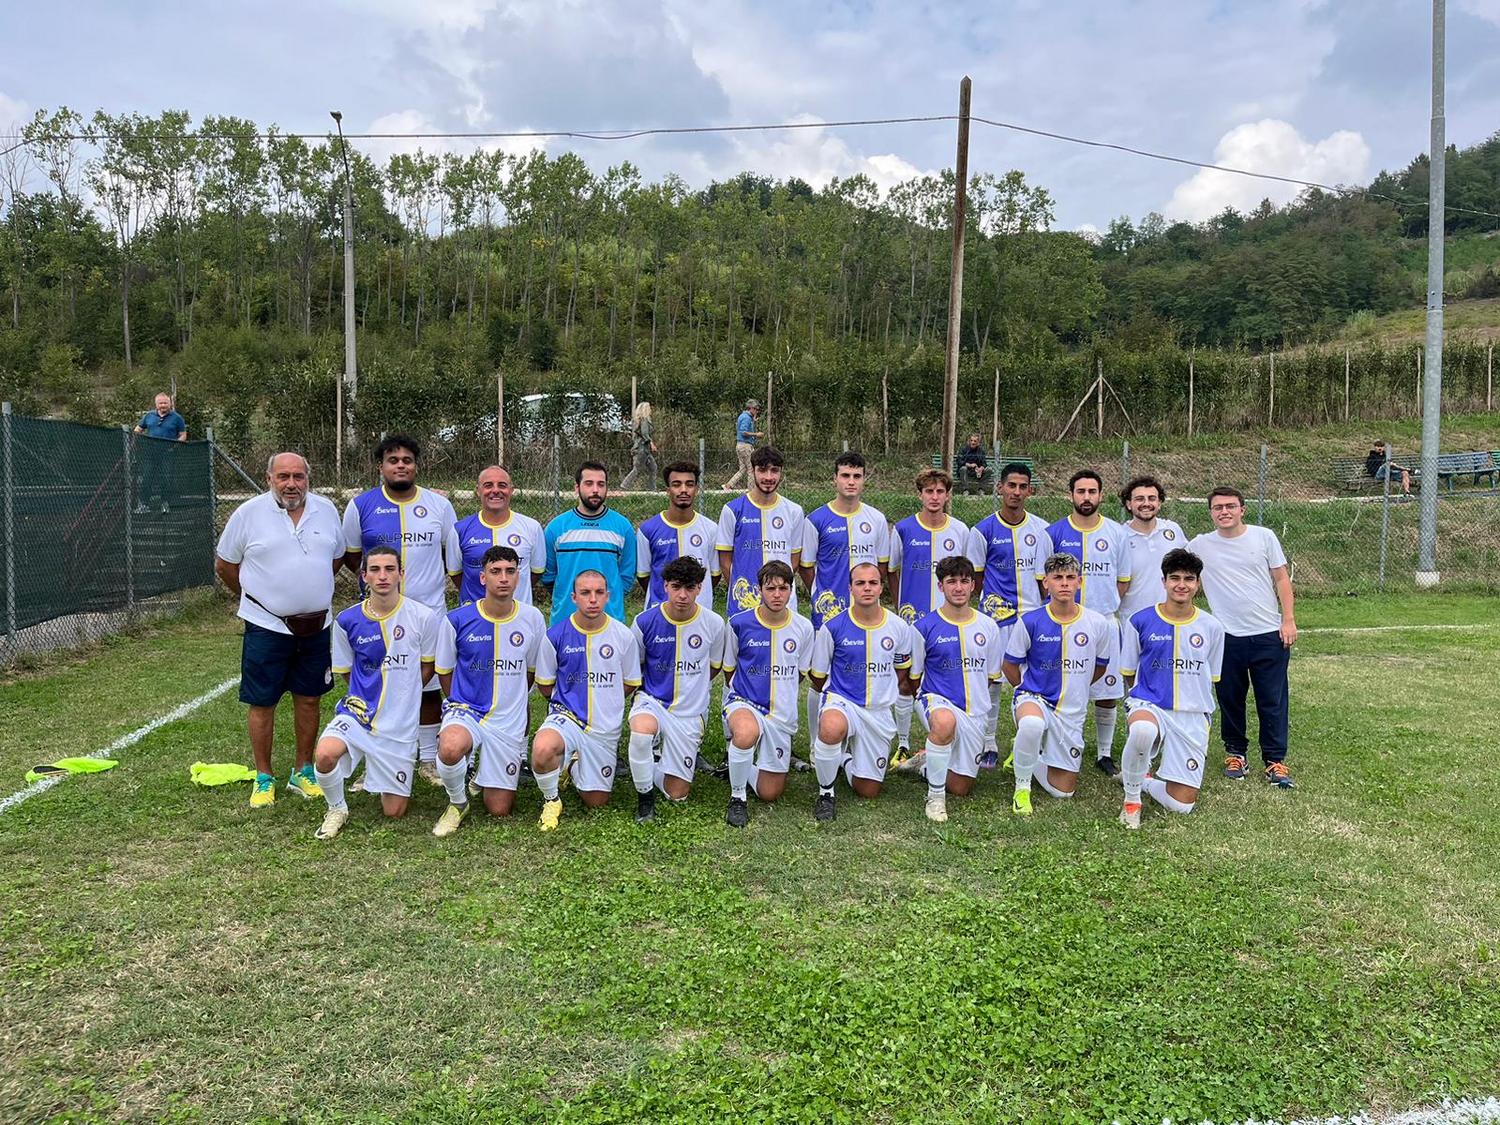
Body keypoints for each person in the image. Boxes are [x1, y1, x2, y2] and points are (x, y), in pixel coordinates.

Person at [214, 453, 343, 808]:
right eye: (283, 476)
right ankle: (264, 776)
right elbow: (225, 565)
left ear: (308, 479)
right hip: (267, 627)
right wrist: (259, 599)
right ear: (269, 477)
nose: (291, 484)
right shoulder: (248, 514)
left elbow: (334, 559)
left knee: (310, 698)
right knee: (263, 701)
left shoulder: (326, 510)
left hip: (316, 627)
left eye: (299, 477)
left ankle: (303, 772)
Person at [342, 435, 462, 785]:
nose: (400, 465)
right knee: (375, 686)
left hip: (428, 614)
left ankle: (426, 759)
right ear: (381, 466)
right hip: (378, 616)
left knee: (427, 689)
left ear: (416, 466)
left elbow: (449, 554)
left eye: (407, 460)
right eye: (393, 460)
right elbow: (353, 556)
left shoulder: (439, 506)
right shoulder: (360, 505)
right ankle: (377, 759)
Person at [310, 547, 440, 839]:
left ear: (401, 575)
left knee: (394, 811)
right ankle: (337, 808)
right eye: (376, 570)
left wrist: (400, 695)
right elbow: (344, 670)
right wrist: (368, 697)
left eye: (390, 569)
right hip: (359, 715)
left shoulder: (423, 617)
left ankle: (376, 763)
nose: (383, 576)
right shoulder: (346, 620)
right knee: (325, 754)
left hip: (400, 726)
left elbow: (428, 668)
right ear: (364, 576)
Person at [429, 546, 552, 835]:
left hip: (507, 721)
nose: (503, 578)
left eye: (510, 571)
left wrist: (513, 701)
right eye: (495, 572)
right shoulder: (457, 620)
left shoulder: (533, 618)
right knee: (450, 747)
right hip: (468, 711)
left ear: (518, 577)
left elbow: (532, 670)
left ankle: (482, 776)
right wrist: (460, 703)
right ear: (483, 578)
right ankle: (457, 803)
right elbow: (444, 671)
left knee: (499, 809)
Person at [1188, 487, 1297, 789]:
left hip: (1267, 635)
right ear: (1210, 512)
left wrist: (1287, 620)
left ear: (1242, 510)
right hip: (1226, 637)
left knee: (1271, 700)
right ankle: (1236, 754)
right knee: (1229, 699)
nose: (1224, 512)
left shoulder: (1264, 537)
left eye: (1230, 506)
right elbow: (1180, 573)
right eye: (1217, 507)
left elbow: (1281, 579)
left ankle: (1275, 761)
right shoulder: (1200, 544)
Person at [1117, 548, 1226, 828]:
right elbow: (1129, 673)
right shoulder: (1139, 621)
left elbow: (1211, 675)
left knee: (1181, 805)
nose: (1181, 584)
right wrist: (1143, 699)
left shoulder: (1212, 627)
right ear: (1163, 581)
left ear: (1197, 584)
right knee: (1143, 730)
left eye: (1189, 579)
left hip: (1191, 714)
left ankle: (1143, 781)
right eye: (1174, 577)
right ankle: (1131, 802)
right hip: (1149, 704)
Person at [1001, 553, 1115, 815]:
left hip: (1071, 711)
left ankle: (1024, 752)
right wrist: (1026, 690)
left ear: (1080, 582)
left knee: (1063, 792)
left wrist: (1077, 686)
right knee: (1032, 723)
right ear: (1046, 583)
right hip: (1035, 698)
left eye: (1070, 578)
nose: (1064, 583)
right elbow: (1009, 666)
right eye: (1057, 578)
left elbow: (1099, 667)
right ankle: (1022, 788)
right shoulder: (1030, 621)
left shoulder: (1097, 623)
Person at [531, 570, 642, 826]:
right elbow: (546, 686)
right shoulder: (555, 636)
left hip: (603, 727)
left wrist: (606, 701)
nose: (593, 599)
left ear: (608, 596)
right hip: (566, 717)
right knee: (542, 747)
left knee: (596, 802)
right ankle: (551, 800)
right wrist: (571, 703)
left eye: (599, 593)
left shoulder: (623, 636)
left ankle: (571, 765)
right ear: (573, 597)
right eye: (585, 593)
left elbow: (629, 683)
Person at [807, 563, 915, 822]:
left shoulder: (899, 628)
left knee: (868, 790)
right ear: (850, 589)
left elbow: (902, 670)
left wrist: (881, 693)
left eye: (873, 583)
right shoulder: (833, 627)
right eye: (860, 583)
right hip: (843, 701)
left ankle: (844, 759)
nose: (867, 588)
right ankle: (826, 793)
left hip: (877, 712)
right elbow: (818, 677)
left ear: (881, 588)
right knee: (831, 728)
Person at [627, 557, 727, 823]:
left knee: (677, 795)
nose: (682, 595)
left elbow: (713, 668)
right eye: (676, 587)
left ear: (700, 588)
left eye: (690, 588)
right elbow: (635, 668)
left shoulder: (714, 623)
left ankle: (654, 766)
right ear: (665, 586)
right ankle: (644, 799)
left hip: (689, 713)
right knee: (640, 732)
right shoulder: (643, 621)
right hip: (653, 702)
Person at [1046, 470, 1132, 779]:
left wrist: (1100, 610)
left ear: (1100, 495)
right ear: (1071, 495)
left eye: (1091, 491)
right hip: (1063, 625)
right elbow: (1045, 580)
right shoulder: (1053, 533)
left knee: (1106, 690)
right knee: (1061, 686)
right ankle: (1058, 746)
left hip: (1105, 622)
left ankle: (1105, 753)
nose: (1086, 497)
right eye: (1080, 491)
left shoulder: (1116, 533)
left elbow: (1122, 581)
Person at [967, 462, 1053, 766]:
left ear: (1030, 490)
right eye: (1011, 485)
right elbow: (975, 578)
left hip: (1032, 620)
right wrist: (991, 607)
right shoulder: (982, 530)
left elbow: (1047, 580)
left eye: (1022, 486)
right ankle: (989, 742)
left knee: (1034, 680)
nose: (1016, 491)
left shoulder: (1042, 529)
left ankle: (1028, 742)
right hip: (996, 620)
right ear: (999, 488)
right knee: (992, 681)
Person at [801, 451, 890, 744]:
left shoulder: (876, 519)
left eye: (857, 476)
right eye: (845, 476)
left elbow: (882, 566)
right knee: (819, 677)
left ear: (864, 480)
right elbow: (807, 567)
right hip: (828, 615)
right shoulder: (816, 519)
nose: (851, 482)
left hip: (866, 614)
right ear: (835, 479)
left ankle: (855, 736)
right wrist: (824, 597)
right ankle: (819, 741)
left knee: (858, 670)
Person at [908, 555, 1004, 823]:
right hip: (936, 700)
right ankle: (935, 798)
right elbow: (914, 677)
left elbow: (990, 677)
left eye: (964, 581)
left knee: (961, 788)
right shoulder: (924, 627)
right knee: (944, 722)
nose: (958, 588)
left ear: (973, 585)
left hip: (974, 712)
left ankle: (926, 764)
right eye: (952, 582)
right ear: (941, 587)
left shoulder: (988, 626)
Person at [720, 561, 816, 826]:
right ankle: (737, 798)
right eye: (770, 588)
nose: (776, 594)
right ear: (760, 589)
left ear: (791, 591)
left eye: (783, 588)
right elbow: (729, 671)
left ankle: (738, 764)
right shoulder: (739, 624)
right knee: (746, 732)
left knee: (769, 793)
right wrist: (745, 695)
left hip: (780, 714)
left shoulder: (804, 628)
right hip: (744, 702)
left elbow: (800, 673)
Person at [889, 468, 971, 762]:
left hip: (950, 621)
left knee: (943, 675)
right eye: (929, 491)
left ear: (948, 495)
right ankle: (902, 743)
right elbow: (893, 571)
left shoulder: (961, 530)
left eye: (940, 492)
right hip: (913, 620)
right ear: (919, 494)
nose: (934, 497)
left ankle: (941, 736)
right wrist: (902, 608)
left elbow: (966, 575)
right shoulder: (903, 529)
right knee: (905, 679)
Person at [541, 461, 636, 626]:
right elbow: (548, 575)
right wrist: (567, 597)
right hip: (565, 622)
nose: (595, 490)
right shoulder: (556, 528)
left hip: (610, 622)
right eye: (589, 484)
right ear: (577, 488)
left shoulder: (623, 527)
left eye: (601, 484)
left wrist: (611, 600)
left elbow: (627, 576)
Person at [717, 446, 805, 614]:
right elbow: (725, 561)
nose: (768, 477)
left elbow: (794, 559)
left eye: (774, 471)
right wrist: (741, 591)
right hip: (744, 605)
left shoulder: (794, 511)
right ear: (752, 471)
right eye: (762, 470)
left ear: (781, 472)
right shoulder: (732, 510)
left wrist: (777, 589)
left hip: (784, 605)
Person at [453, 465, 547, 607]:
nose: (495, 490)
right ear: (478, 491)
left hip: (518, 618)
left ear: (511, 490)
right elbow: (455, 574)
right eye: (488, 485)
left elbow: (536, 572)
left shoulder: (531, 527)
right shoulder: (459, 530)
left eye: (502, 485)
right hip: (474, 619)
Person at [636, 461, 721, 612]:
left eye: (689, 484)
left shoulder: (711, 529)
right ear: (667, 490)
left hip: (699, 615)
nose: (683, 490)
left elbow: (714, 575)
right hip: (659, 614)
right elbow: (644, 576)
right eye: (676, 484)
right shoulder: (647, 530)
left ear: (696, 489)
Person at [1117, 475, 1187, 623]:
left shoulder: (1173, 530)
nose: (1146, 503)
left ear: (1159, 503)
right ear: (1129, 504)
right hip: (1134, 621)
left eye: (1152, 498)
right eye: (1140, 499)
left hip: (1173, 619)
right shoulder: (1119, 536)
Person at [133, 392, 187, 513]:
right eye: (161, 403)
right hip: (150, 452)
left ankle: (165, 503)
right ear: (156, 404)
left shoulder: (177, 418)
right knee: (146, 478)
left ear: (170, 403)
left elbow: (183, 435)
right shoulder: (149, 416)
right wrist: (134, 437)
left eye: (165, 403)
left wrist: (174, 447)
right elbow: (138, 429)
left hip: (167, 453)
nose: (163, 405)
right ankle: (143, 505)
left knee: (166, 478)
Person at [722, 398, 764, 491]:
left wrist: (753, 422)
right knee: (751, 468)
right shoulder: (746, 418)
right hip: (745, 446)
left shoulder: (745, 417)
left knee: (743, 469)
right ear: (751, 408)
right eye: (756, 409)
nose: (757, 411)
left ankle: (728, 486)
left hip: (740, 445)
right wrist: (756, 434)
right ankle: (751, 490)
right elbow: (743, 432)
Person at [619, 402, 659, 491]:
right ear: (645, 409)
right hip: (642, 449)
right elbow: (645, 434)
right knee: (637, 469)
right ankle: (624, 486)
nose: (651, 409)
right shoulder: (644, 420)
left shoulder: (642, 421)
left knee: (653, 467)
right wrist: (652, 443)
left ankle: (652, 489)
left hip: (645, 450)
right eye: (649, 408)